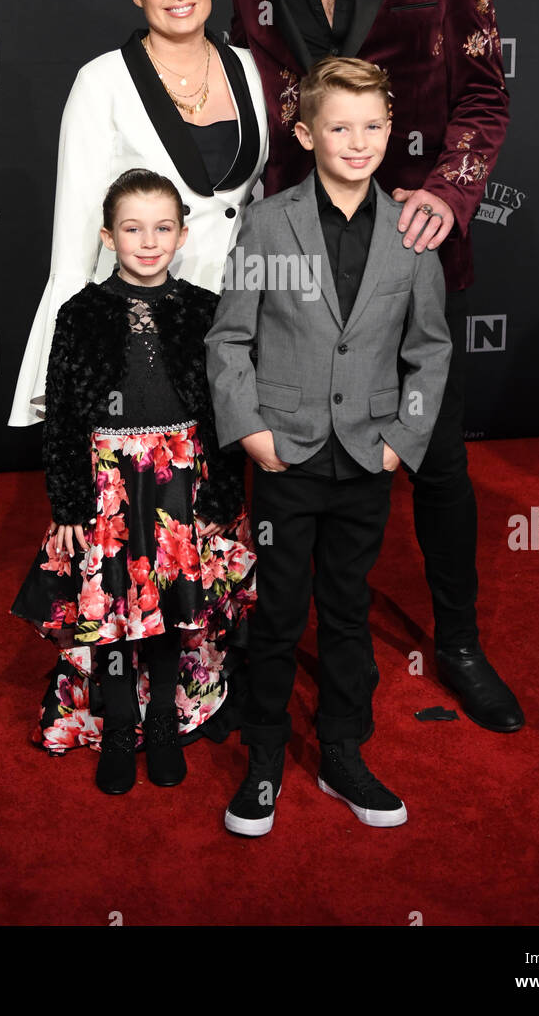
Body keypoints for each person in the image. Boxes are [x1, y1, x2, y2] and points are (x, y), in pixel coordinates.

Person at [227, 0, 523, 734]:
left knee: (433, 459)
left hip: (408, 258)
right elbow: (261, 115)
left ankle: (460, 641)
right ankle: (266, 640)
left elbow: (483, 93)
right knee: (283, 462)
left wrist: (446, 193)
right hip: (289, 262)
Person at [206, 57, 452, 835]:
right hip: (286, 457)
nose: (358, 141)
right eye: (339, 127)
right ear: (307, 132)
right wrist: (250, 429)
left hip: (366, 460)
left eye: (372, 126)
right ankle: (267, 755)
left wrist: (401, 440)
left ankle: (344, 749)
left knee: (347, 610)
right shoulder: (271, 221)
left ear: (389, 130)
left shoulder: (413, 231)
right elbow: (230, 335)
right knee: (278, 611)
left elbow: (431, 349)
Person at [11, 169, 255, 793]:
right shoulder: (81, 314)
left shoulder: (203, 309)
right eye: (132, 228)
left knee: (175, 611)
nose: (148, 241)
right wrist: (68, 504)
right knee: (115, 615)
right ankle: (120, 727)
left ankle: (166, 725)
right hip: (110, 492)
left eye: (162, 228)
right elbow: (62, 417)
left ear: (181, 234)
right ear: (107, 235)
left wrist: (222, 495)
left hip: (181, 486)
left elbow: (224, 411)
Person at [9, 0, 269, 428]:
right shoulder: (99, 83)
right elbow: (76, 234)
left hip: (237, 319)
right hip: (138, 323)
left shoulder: (251, 67)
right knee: (144, 489)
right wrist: (69, 368)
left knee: (218, 489)